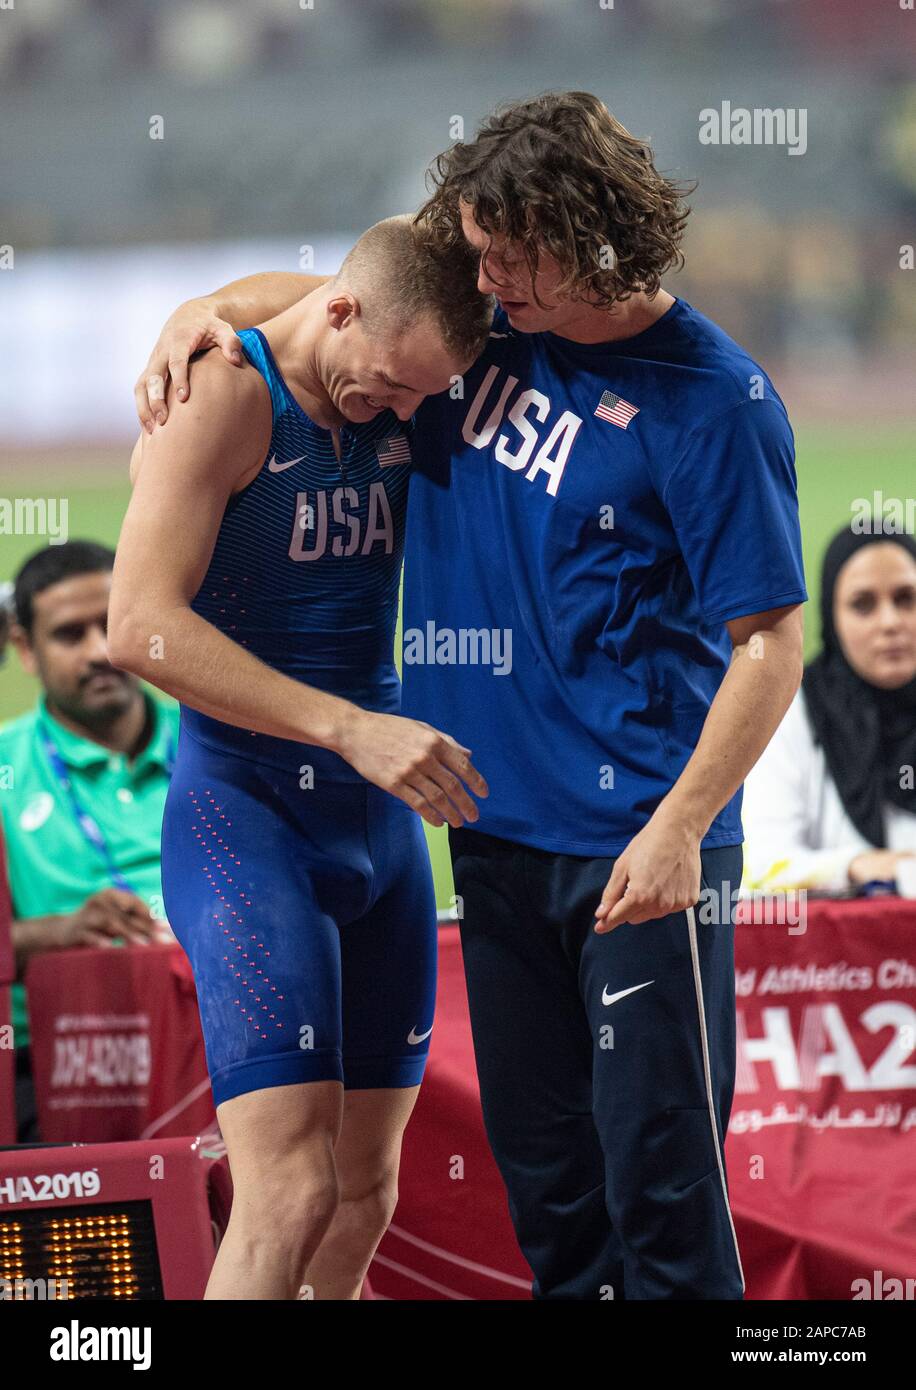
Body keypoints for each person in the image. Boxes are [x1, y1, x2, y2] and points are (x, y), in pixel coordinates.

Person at [133, 92, 808, 1300]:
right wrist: (200, 312)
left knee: (658, 1194)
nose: (482, 272)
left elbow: (769, 643)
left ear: (589, 234)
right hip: (491, 839)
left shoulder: (715, 399)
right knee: (549, 1192)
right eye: (476, 248)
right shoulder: (477, 326)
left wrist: (678, 831)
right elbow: (333, 291)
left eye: (508, 254)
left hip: (636, 852)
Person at [109, 216, 491, 1300]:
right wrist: (345, 725)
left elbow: (350, 279)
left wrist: (207, 297)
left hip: (378, 822)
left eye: (421, 397)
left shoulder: (390, 343)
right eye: (385, 388)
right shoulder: (225, 393)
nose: (406, 415)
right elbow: (136, 625)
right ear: (337, 316)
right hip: (249, 813)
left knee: (367, 1188)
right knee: (288, 1189)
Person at [0, 541, 175, 1142]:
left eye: (112, 623)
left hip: (218, 1038)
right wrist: (60, 933)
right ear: (24, 649)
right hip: (55, 1064)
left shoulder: (222, 744)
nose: (101, 651)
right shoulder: (5, 768)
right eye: (70, 634)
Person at [742, 527, 916, 893]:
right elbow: (756, 870)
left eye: (906, 599)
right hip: (827, 949)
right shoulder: (791, 711)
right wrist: (856, 866)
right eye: (863, 604)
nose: (890, 622)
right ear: (831, 615)